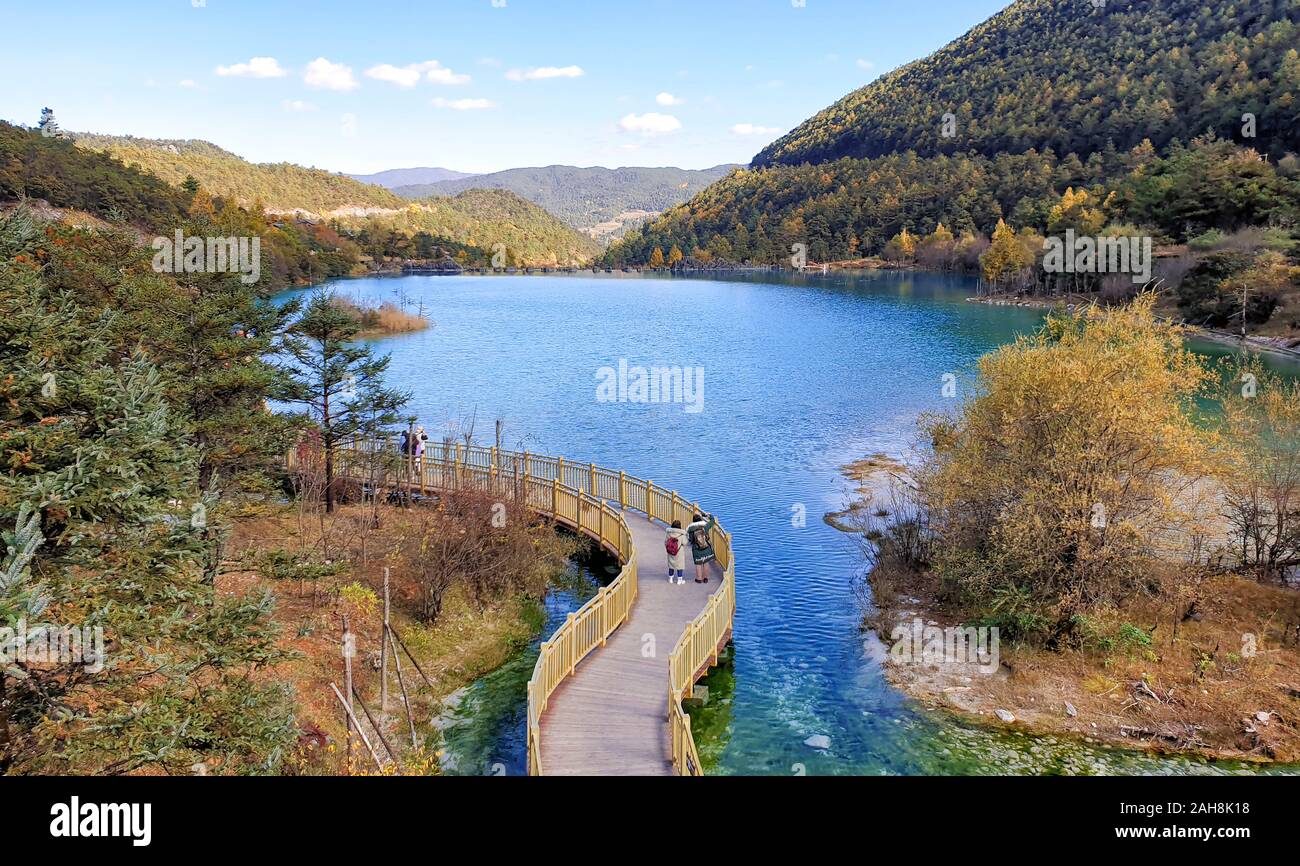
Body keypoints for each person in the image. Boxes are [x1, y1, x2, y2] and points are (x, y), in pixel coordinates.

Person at [686, 511, 717, 583]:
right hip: (706, 548)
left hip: (696, 549)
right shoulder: (705, 526)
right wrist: (706, 515)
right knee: (706, 563)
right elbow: (712, 520)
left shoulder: (690, 529)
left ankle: (699, 578)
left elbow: (690, 540)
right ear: (700, 519)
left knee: (698, 564)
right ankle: (705, 578)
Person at [665, 519, 688, 585]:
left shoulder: (668, 533)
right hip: (679, 553)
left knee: (671, 565)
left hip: (670, 551)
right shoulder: (681, 534)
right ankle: (679, 580)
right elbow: (685, 542)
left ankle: (670, 579)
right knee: (679, 566)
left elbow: (665, 542)